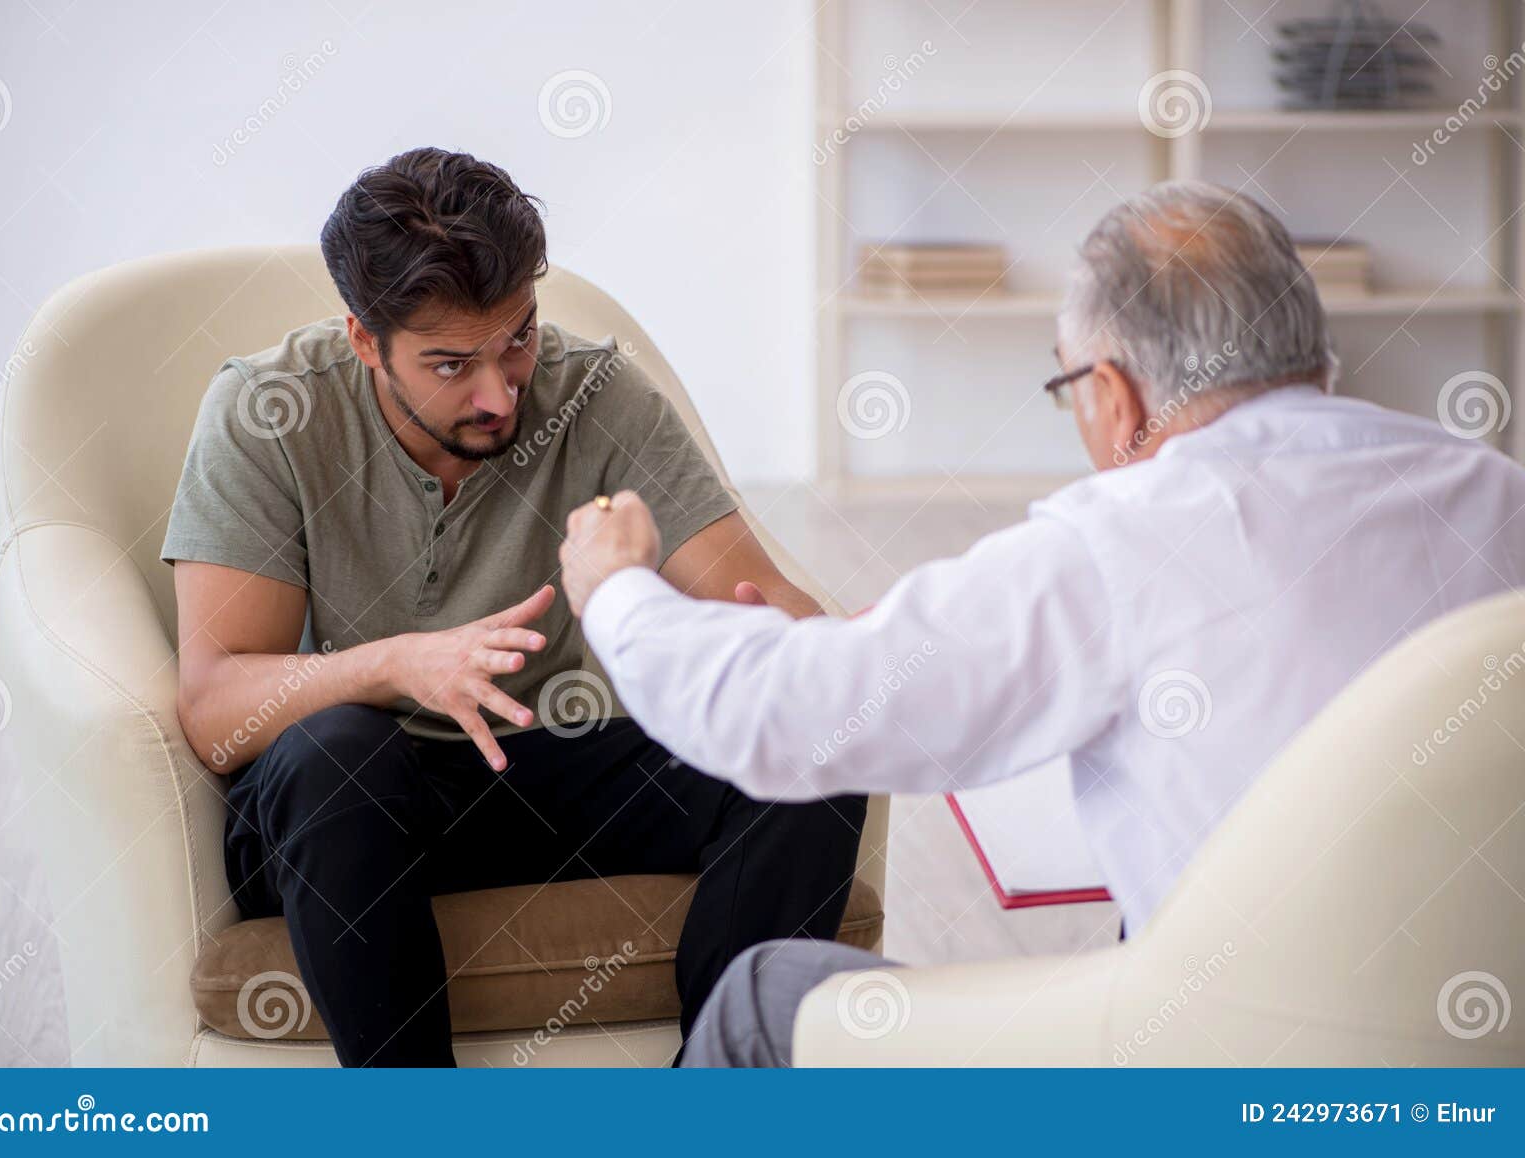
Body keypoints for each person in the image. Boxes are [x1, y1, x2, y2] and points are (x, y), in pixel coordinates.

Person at [557, 180, 1525, 1067]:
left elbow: (783, 717)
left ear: (1114, 394)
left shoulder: (1119, 544)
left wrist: (617, 590)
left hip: (1243, 1069)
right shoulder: (1495, 492)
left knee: (765, 1000)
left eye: (1067, 388)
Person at [161, 147, 866, 1066]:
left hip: (544, 764)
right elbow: (217, 709)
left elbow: (763, 599)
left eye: (518, 339)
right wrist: (393, 663)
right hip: (357, 810)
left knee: (812, 735)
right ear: (364, 339)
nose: (499, 393)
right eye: (451, 363)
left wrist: (833, 660)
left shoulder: (597, 394)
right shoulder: (270, 409)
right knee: (339, 748)